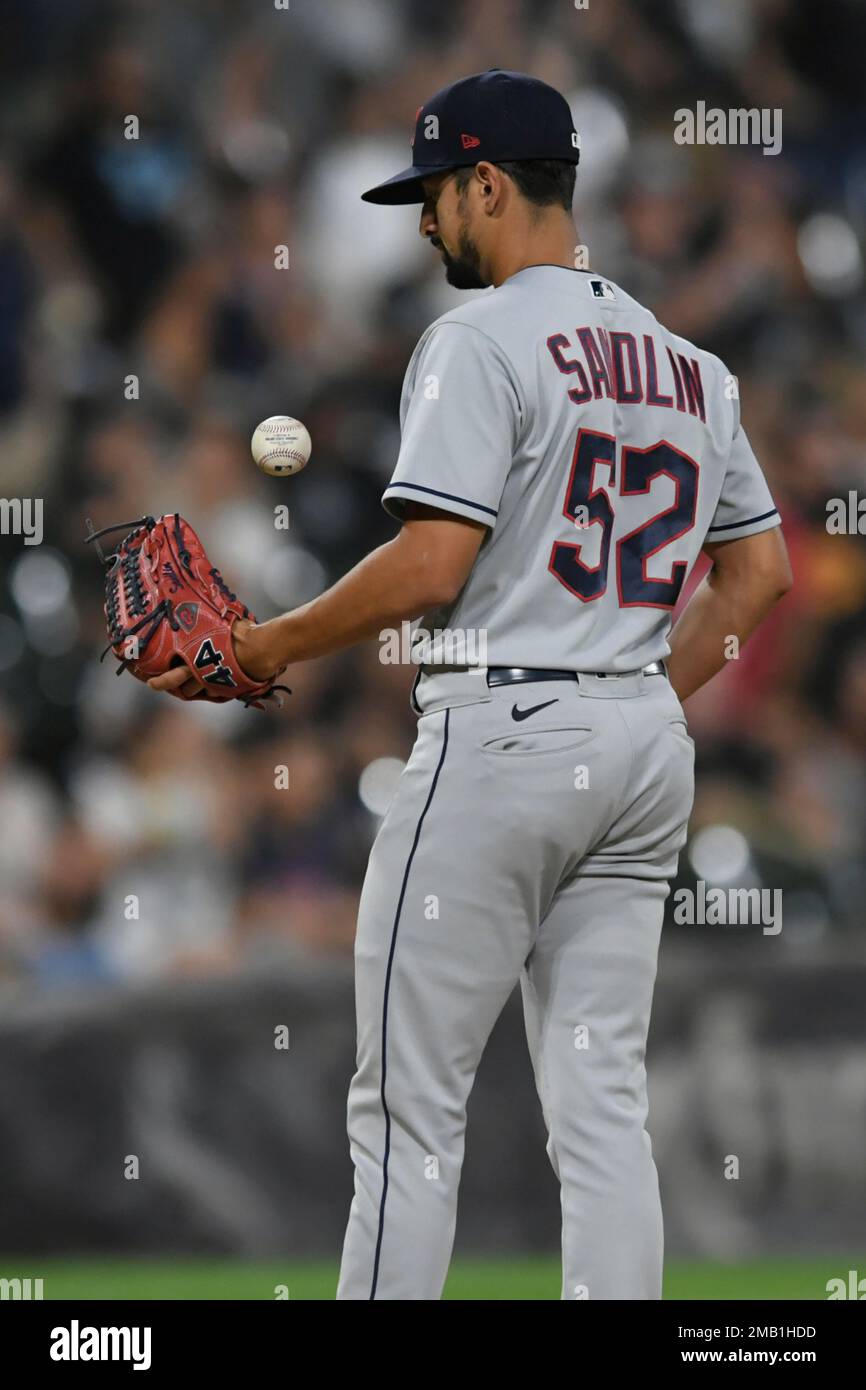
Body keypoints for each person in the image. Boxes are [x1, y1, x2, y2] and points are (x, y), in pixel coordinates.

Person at [151, 69, 792, 1300]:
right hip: (642, 748)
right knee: (599, 1105)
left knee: (405, 1109)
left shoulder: (477, 337)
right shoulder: (686, 362)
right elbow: (754, 574)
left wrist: (268, 644)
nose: (423, 220)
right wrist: (638, 686)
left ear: (490, 182)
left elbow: (433, 561)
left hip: (507, 733)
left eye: (436, 192)